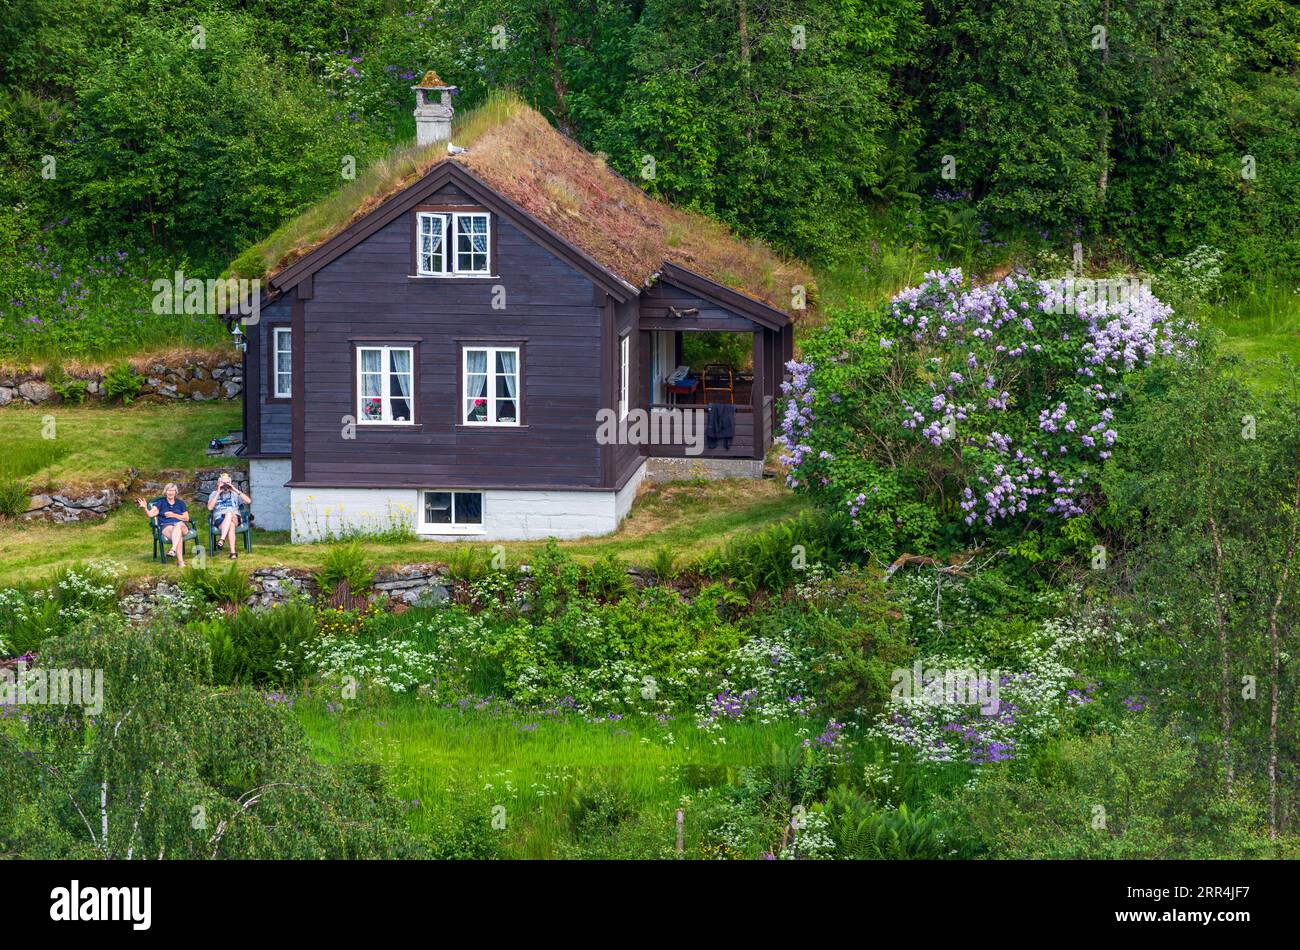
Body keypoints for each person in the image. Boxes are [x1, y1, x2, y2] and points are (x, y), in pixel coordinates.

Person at [137, 483, 191, 567]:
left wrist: (173, 515)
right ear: (166, 492)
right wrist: (145, 508)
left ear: (175, 492)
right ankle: (181, 562)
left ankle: (173, 549)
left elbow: (186, 518)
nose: (171, 493)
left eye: (173, 491)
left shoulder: (180, 503)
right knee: (178, 535)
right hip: (167, 526)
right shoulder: (160, 503)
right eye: (169, 490)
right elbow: (151, 514)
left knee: (178, 525)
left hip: (182, 526)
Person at [207, 472, 251, 559]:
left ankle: (222, 539)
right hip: (220, 519)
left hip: (235, 517)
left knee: (229, 513)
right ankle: (233, 553)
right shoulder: (214, 494)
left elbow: (248, 501)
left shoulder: (235, 493)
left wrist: (234, 489)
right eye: (223, 483)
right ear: (218, 483)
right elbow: (210, 508)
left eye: (227, 482)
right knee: (230, 525)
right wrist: (218, 492)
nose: (225, 485)